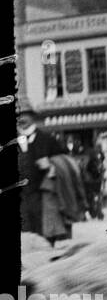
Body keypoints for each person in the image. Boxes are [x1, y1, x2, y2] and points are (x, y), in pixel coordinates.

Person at [14, 98, 69, 239]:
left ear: (32, 116)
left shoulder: (48, 140)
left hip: (44, 199)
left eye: (24, 114)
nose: (21, 118)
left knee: (45, 237)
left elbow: (66, 164)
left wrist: (51, 165)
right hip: (21, 202)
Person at [83, 143, 106, 220]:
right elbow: (95, 171)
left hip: (91, 182)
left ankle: (95, 213)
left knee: (92, 198)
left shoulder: (92, 160)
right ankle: (97, 213)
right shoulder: (94, 161)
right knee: (96, 197)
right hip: (94, 182)